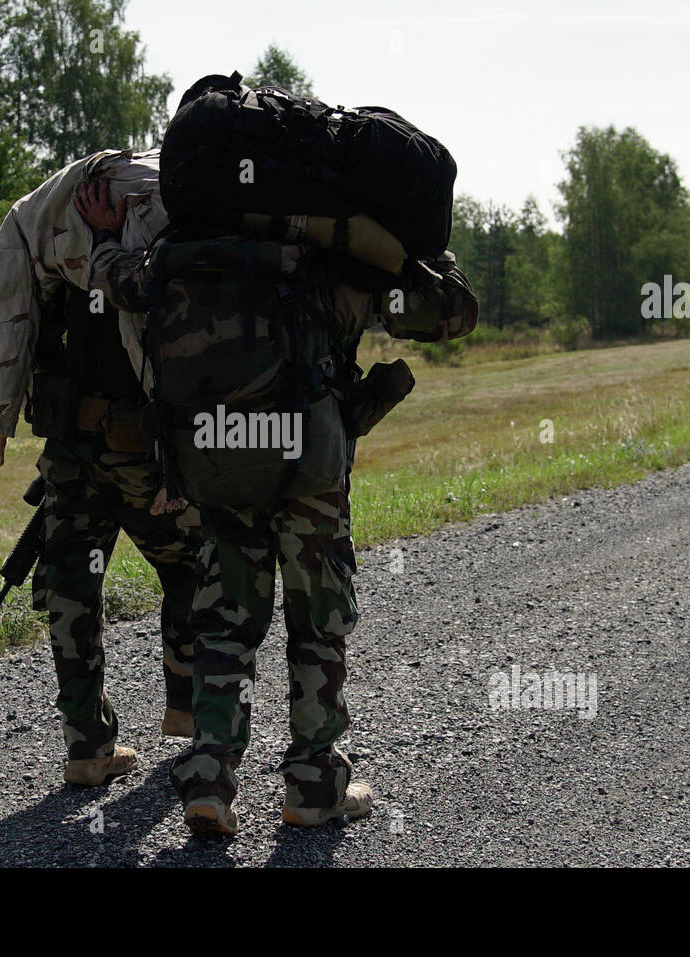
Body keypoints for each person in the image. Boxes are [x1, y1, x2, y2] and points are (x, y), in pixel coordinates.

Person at [76, 180, 478, 832]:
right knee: (318, 620)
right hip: (308, 464)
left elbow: (116, 282)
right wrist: (430, 245)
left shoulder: (184, 248)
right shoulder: (331, 247)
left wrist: (101, 235)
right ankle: (313, 786)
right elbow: (446, 316)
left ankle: (210, 777)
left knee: (226, 620)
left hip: (220, 461)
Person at [0, 149, 201, 788]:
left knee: (71, 593)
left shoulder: (53, 256)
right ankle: (186, 706)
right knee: (188, 568)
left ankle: (88, 748)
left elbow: (13, 323)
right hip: (134, 458)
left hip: (70, 455)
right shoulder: (134, 259)